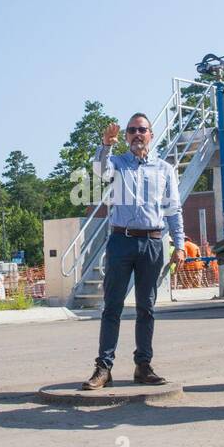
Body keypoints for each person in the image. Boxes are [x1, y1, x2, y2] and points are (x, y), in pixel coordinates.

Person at [83, 114, 186, 390]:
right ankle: (104, 367)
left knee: (147, 307)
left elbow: (173, 210)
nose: (137, 134)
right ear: (126, 137)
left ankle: (143, 365)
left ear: (151, 135)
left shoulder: (165, 169)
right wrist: (105, 146)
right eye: (132, 131)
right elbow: (98, 171)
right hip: (121, 242)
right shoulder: (117, 164)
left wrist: (179, 243)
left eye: (142, 130)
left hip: (152, 243)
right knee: (112, 306)